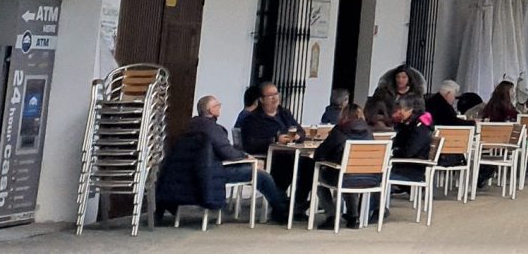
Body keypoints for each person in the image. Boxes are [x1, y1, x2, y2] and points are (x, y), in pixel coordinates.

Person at [156, 94, 286, 224]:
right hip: (210, 174)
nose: (220, 108)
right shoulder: (212, 129)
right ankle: (280, 211)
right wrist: (247, 157)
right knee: (262, 176)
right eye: (218, 106)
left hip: (189, 176)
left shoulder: (187, 127)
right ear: (211, 110)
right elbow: (227, 153)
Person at [308, 101, 375, 227]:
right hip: (368, 178)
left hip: (343, 177)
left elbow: (320, 154)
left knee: (317, 174)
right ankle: (353, 216)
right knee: (350, 173)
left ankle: (331, 215)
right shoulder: (369, 133)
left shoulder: (340, 131)